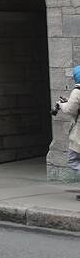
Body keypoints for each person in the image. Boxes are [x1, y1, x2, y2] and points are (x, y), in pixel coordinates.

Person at [54, 64, 80, 199]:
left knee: (72, 159)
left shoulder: (78, 91)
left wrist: (61, 105)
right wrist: (69, 102)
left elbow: (70, 110)